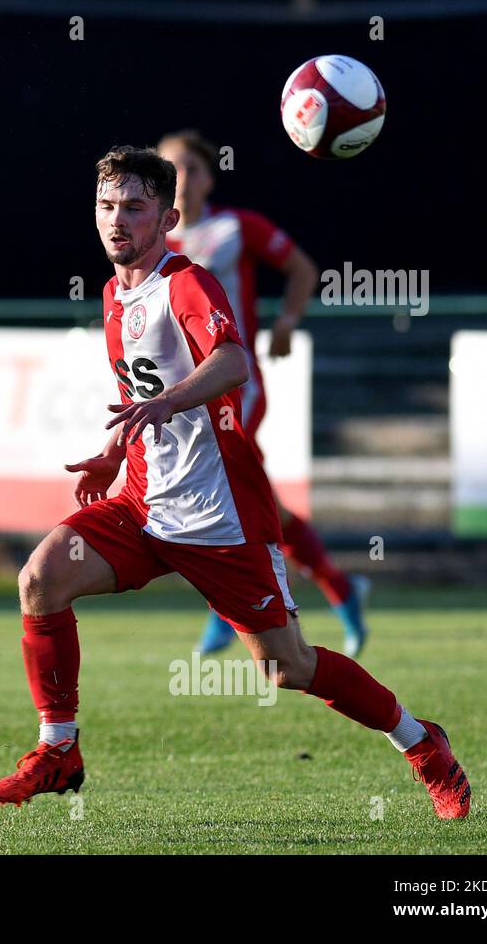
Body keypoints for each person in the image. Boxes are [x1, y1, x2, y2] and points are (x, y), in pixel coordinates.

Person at [0, 146, 469, 821]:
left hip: (221, 517)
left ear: (167, 217)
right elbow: (143, 396)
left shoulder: (187, 282)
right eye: (106, 206)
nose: (116, 220)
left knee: (288, 667)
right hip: (143, 505)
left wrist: (170, 403)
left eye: (134, 208)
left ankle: (422, 745)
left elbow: (233, 360)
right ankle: (58, 748)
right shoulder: (116, 292)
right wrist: (116, 453)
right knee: (40, 579)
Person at [157, 129, 368, 657]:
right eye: (170, 168)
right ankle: (336, 587)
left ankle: (232, 611)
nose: (181, 178)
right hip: (181, 396)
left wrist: (286, 322)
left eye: (191, 168)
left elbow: (301, 268)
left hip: (232, 387)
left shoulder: (235, 227)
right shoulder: (149, 240)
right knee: (252, 499)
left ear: (208, 176)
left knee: (217, 492)